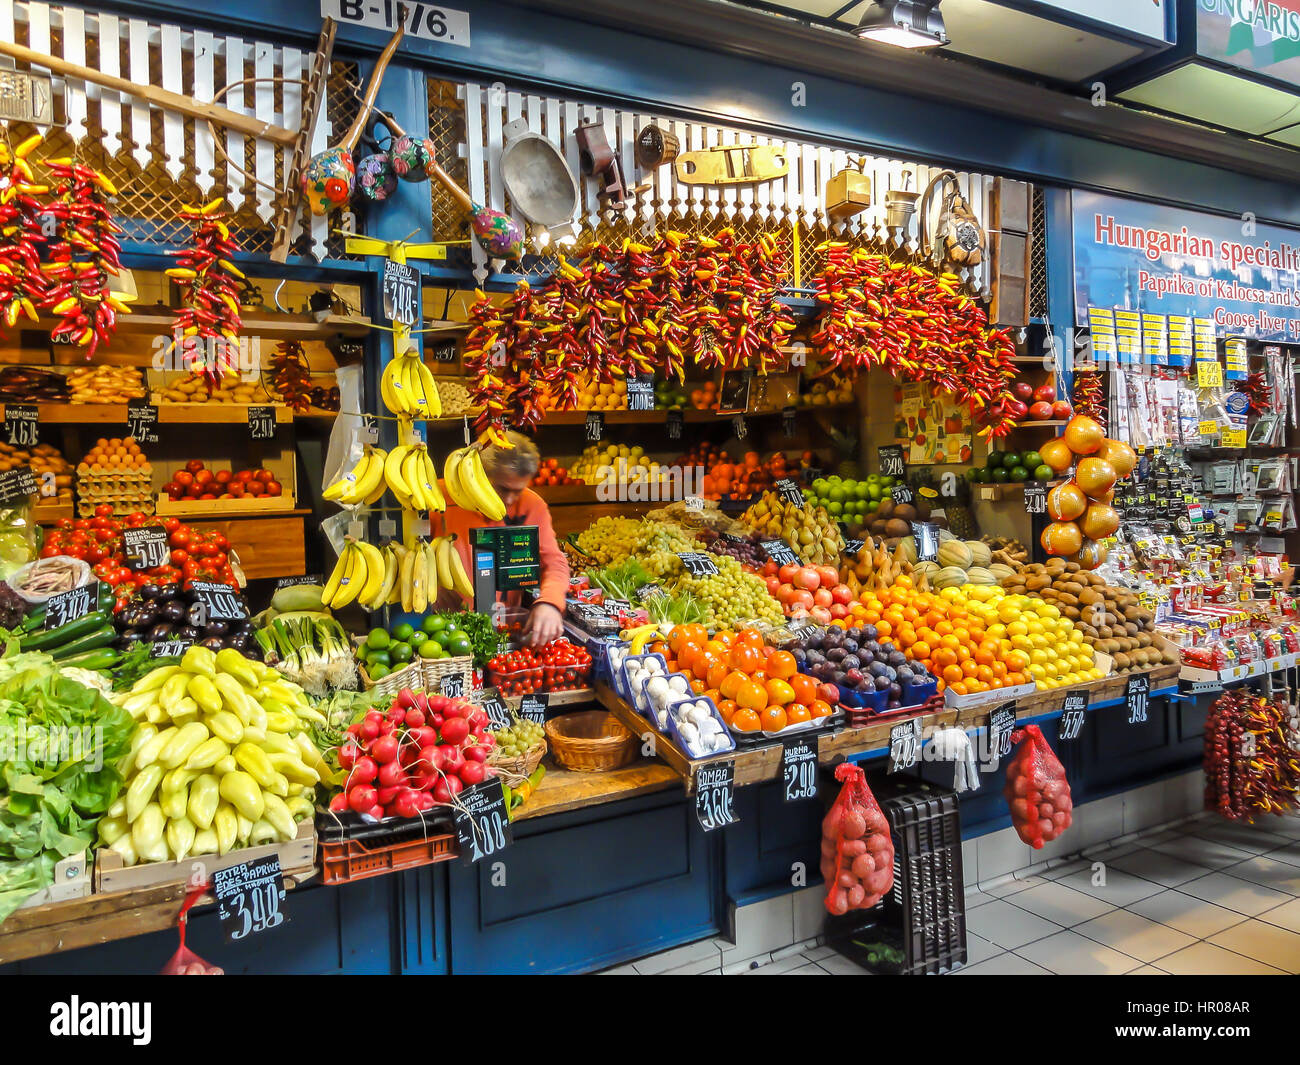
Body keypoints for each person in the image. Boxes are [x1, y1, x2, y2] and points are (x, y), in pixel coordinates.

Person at [439, 432, 570, 645]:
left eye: (518, 490)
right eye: (503, 488)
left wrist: (550, 603)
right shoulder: (441, 499)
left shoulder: (532, 505)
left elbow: (554, 563)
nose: (510, 499)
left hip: (504, 628)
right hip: (445, 632)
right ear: (480, 474)